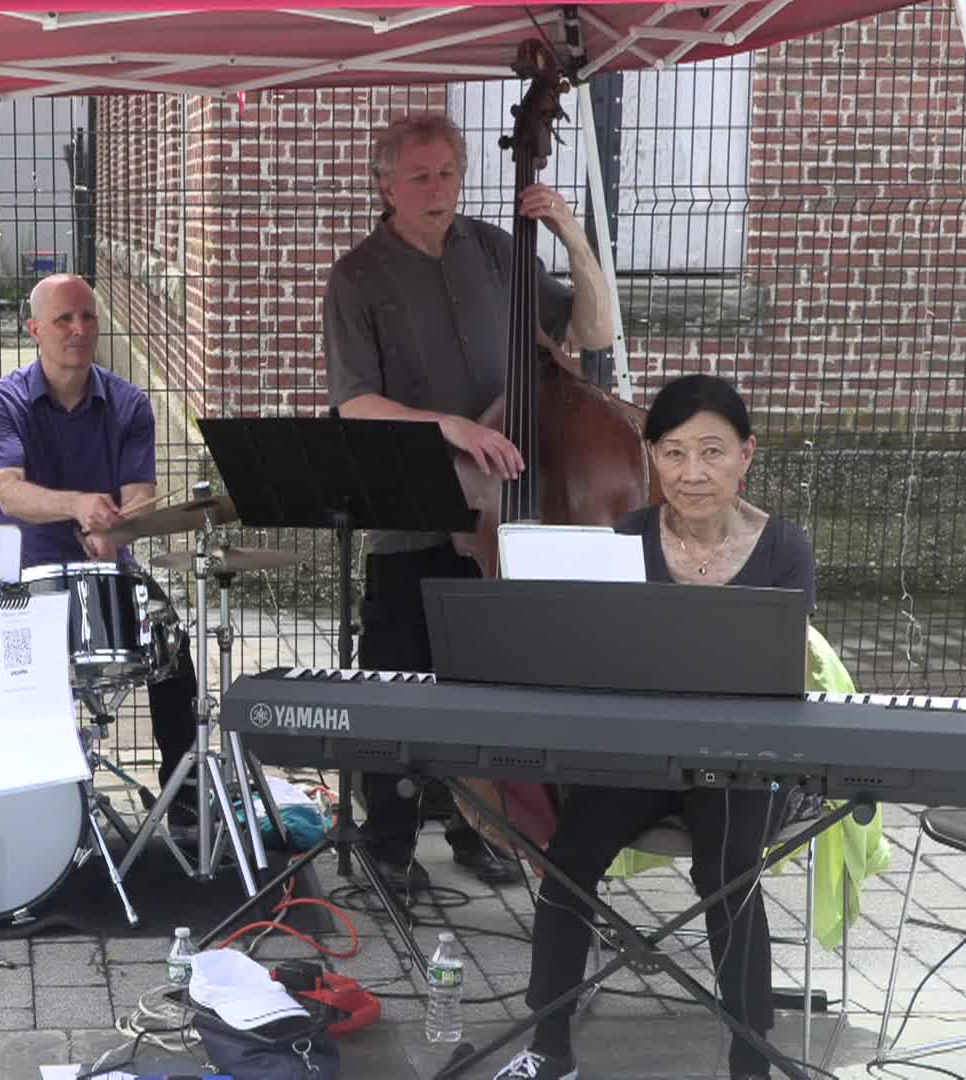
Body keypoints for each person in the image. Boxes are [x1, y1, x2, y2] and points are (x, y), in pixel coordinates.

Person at [322, 111, 615, 888]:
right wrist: (448, 425)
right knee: (399, 677)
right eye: (419, 175)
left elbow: (590, 330)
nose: (437, 188)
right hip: (411, 511)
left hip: (505, 514)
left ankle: (476, 822)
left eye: (448, 172)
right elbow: (355, 404)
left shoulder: (496, 250)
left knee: (485, 684)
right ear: (383, 183)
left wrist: (574, 237)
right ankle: (386, 838)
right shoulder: (357, 275)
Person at [493, 373, 815, 1080]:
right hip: (638, 754)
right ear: (653, 459)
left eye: (711, 452)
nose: (692, 473)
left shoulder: (784, 548)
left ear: (746, 455)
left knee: (728, 870)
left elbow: (782, 677)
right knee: (567, 858)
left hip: (737, 755)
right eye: (673, 453)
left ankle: (749, 1057)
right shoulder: (631, 536)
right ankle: (548, 1047)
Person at [0, 272, 201, 825]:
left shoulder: (130, 404)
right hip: (18, 578)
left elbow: (142, 496)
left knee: (172, 650)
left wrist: (119, 531)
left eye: (88, 317)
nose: (79, 329)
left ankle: (185, 796)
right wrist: (79, 506)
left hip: (100, 573)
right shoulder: (3, 401)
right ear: (34, 330)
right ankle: (18, 807)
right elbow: (9, 492)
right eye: (63, 319)